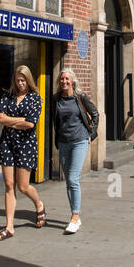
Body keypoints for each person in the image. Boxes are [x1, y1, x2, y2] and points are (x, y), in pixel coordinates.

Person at [0, 65, 45, 240]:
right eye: (18, 80)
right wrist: (18, 121)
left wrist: (10, 121)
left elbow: (31, 123)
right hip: (7, 143)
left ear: (28, 80)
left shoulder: (35, 98)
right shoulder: (7, 96)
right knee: (9, 185)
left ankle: (39, 204)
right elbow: (1, 118)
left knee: (23, 186)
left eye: (23, 80)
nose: (20, 83)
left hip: (26, 145)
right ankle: (9, 226)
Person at [52, 68, 100, 234]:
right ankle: (75, 216)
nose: (64, 81)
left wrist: (91, 134)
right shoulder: (56, 99)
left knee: (73, 178)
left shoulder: (80, 97)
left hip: (79, 140)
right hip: (63, 142)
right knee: (68, 181)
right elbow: (55, 120)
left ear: (73, 81)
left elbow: (95, 114)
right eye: (62, 79)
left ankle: (75, 216)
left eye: (67, 79)